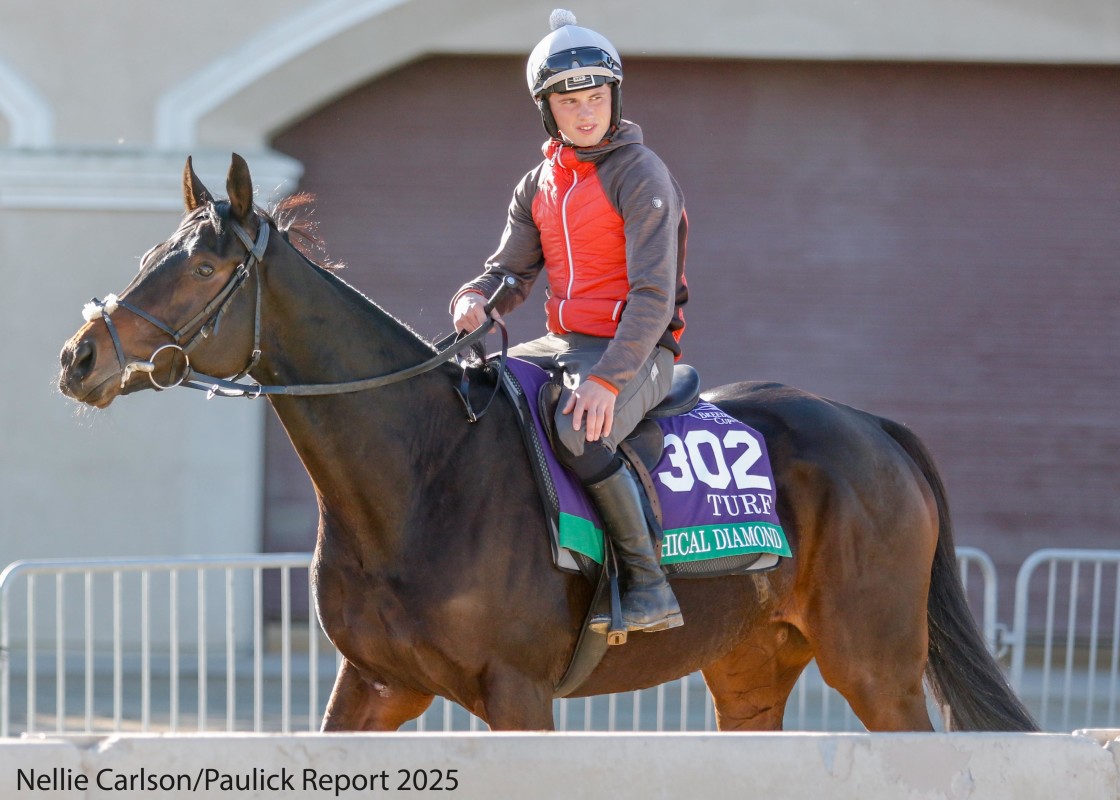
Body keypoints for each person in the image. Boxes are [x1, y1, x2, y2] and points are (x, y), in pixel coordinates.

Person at [450, 9, 688, 635]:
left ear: (614, 97)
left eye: (596, 97)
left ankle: (647, 582)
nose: (586, 113)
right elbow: (510, 273)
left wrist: (608, 381)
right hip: (560, 339)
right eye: (569, 102)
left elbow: (654, 296)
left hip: (637, 350)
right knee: (474, 394)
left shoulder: (642, 175)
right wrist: (476, 298)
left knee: (577, 430)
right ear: (545, 111)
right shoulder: (537, 184)